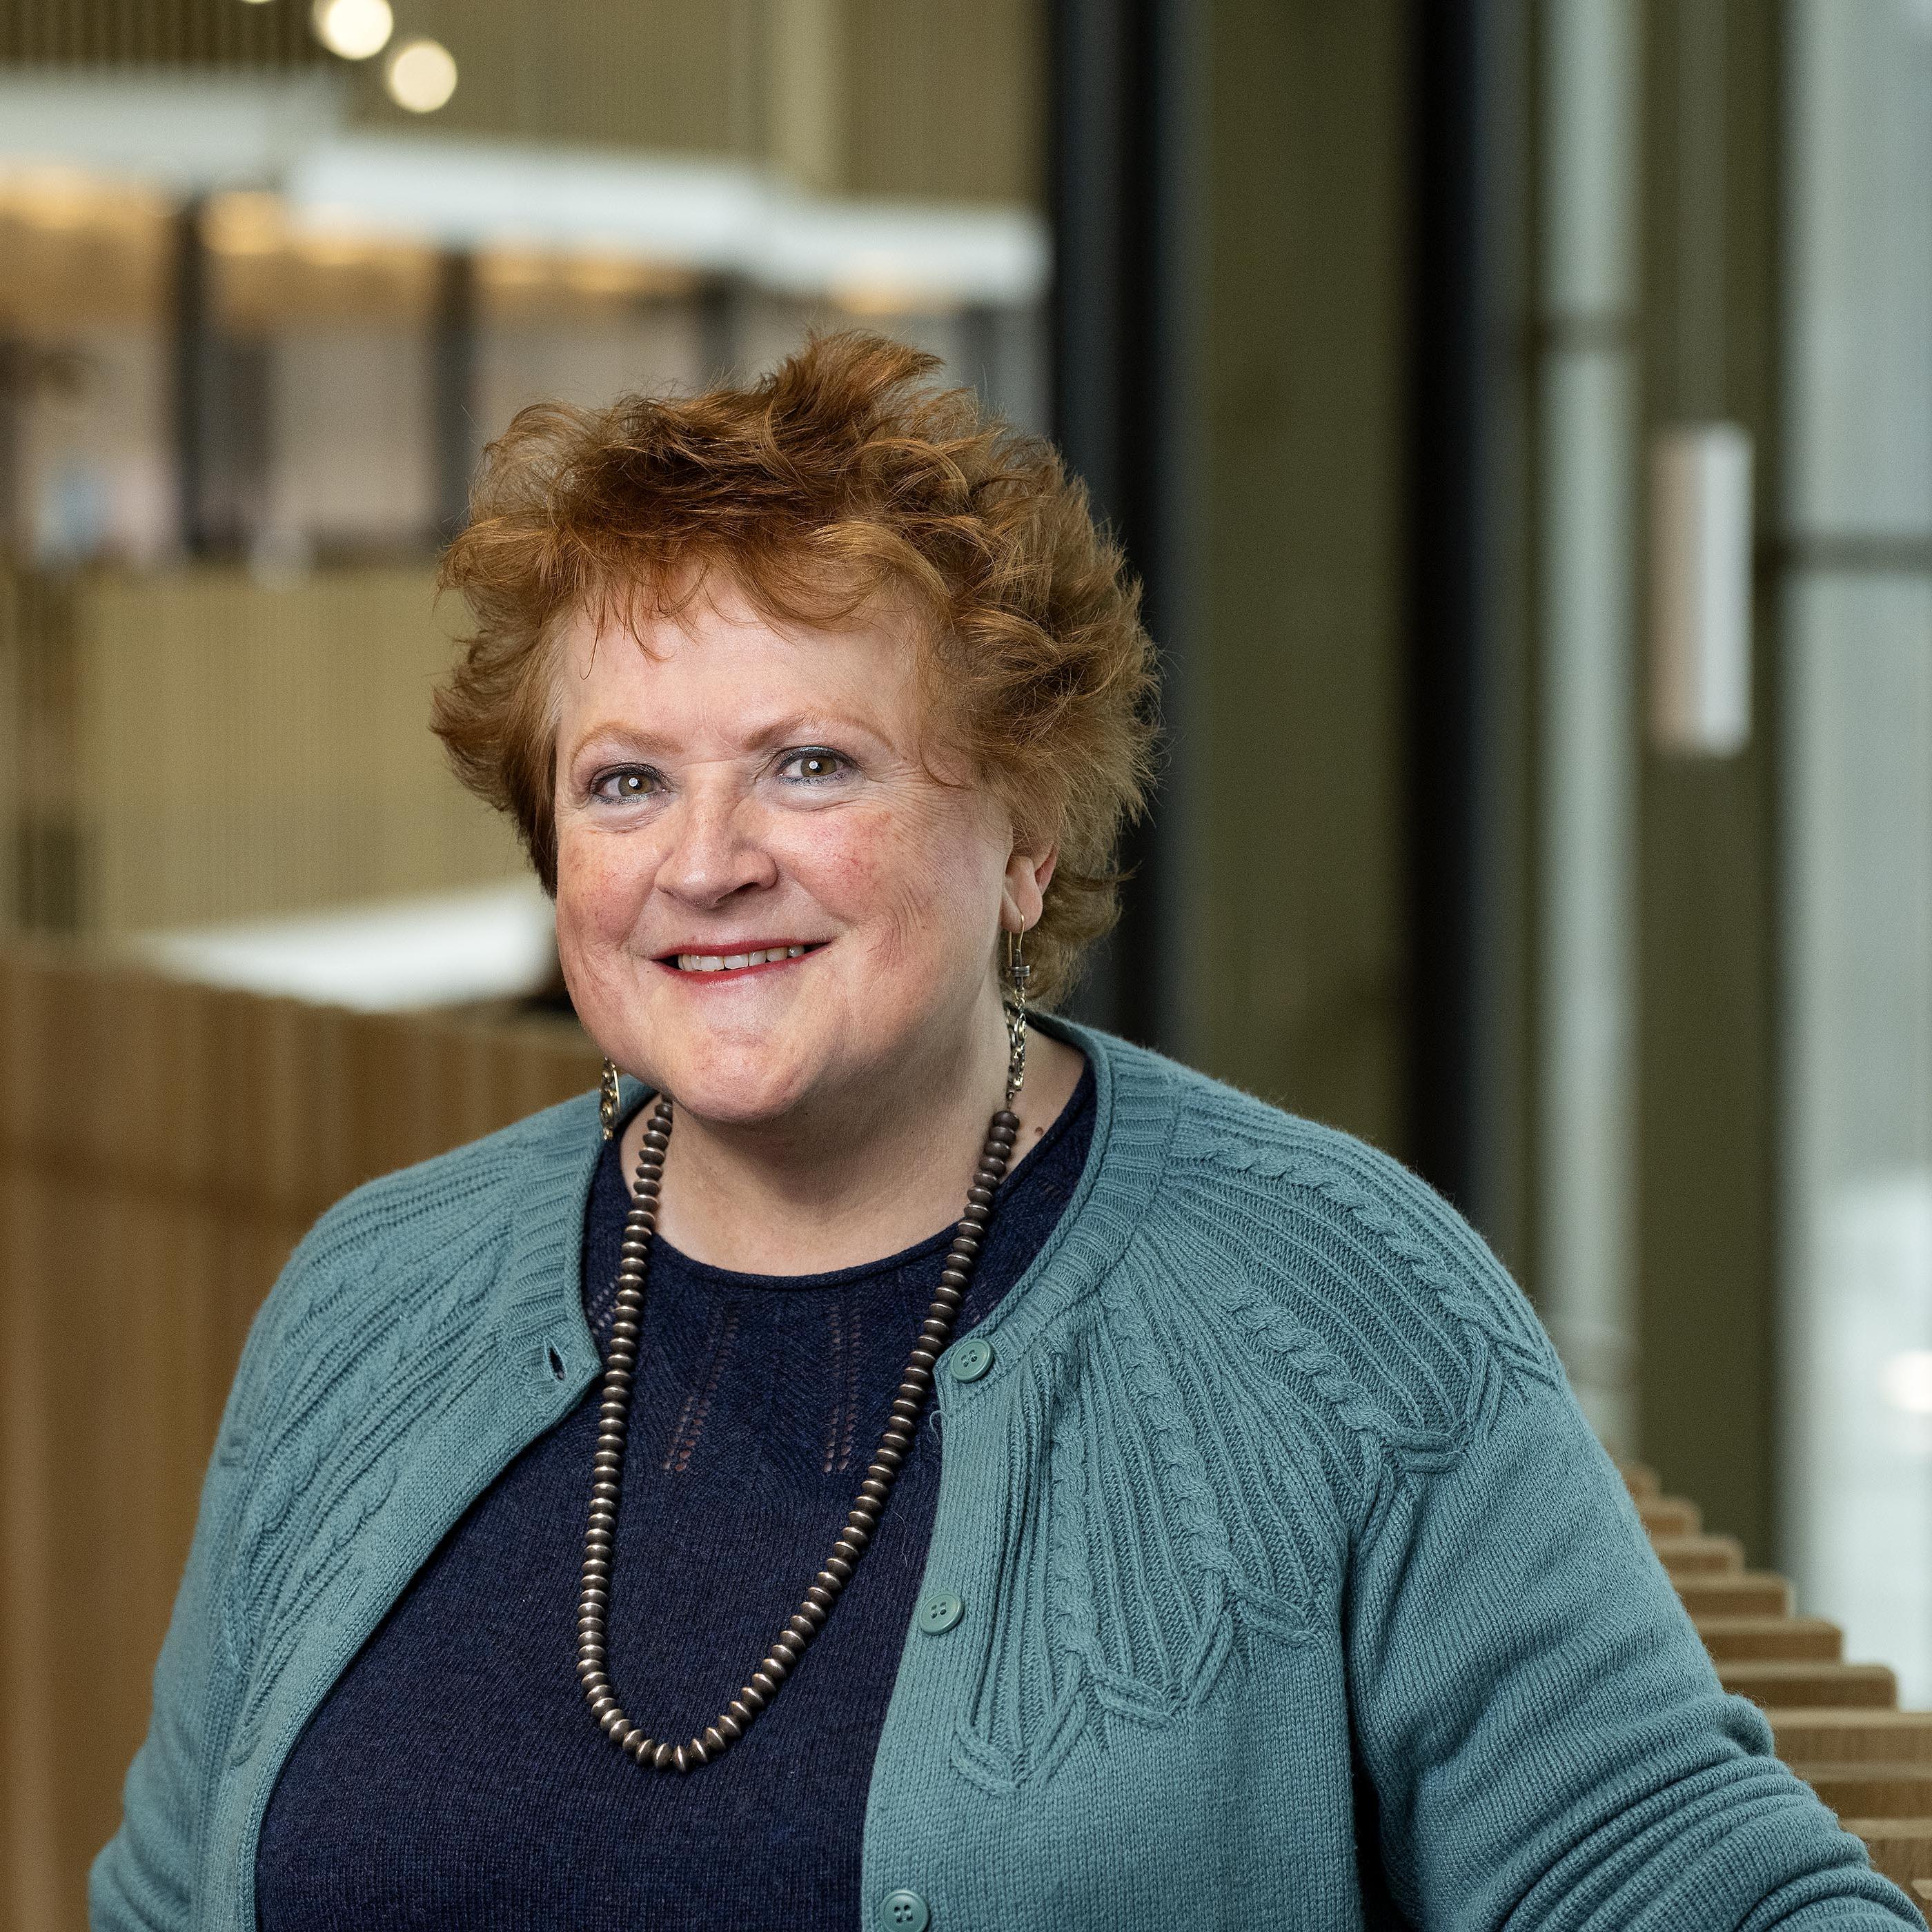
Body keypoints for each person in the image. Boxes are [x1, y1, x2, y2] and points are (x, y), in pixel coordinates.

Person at [92, 333, 1920, 1932]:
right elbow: (167, 1903)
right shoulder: (370, 1295)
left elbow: (1669, 1873)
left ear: (1028, 835)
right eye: (626, 781)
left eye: (813, 763)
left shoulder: (1334, 1307)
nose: (706, 861)